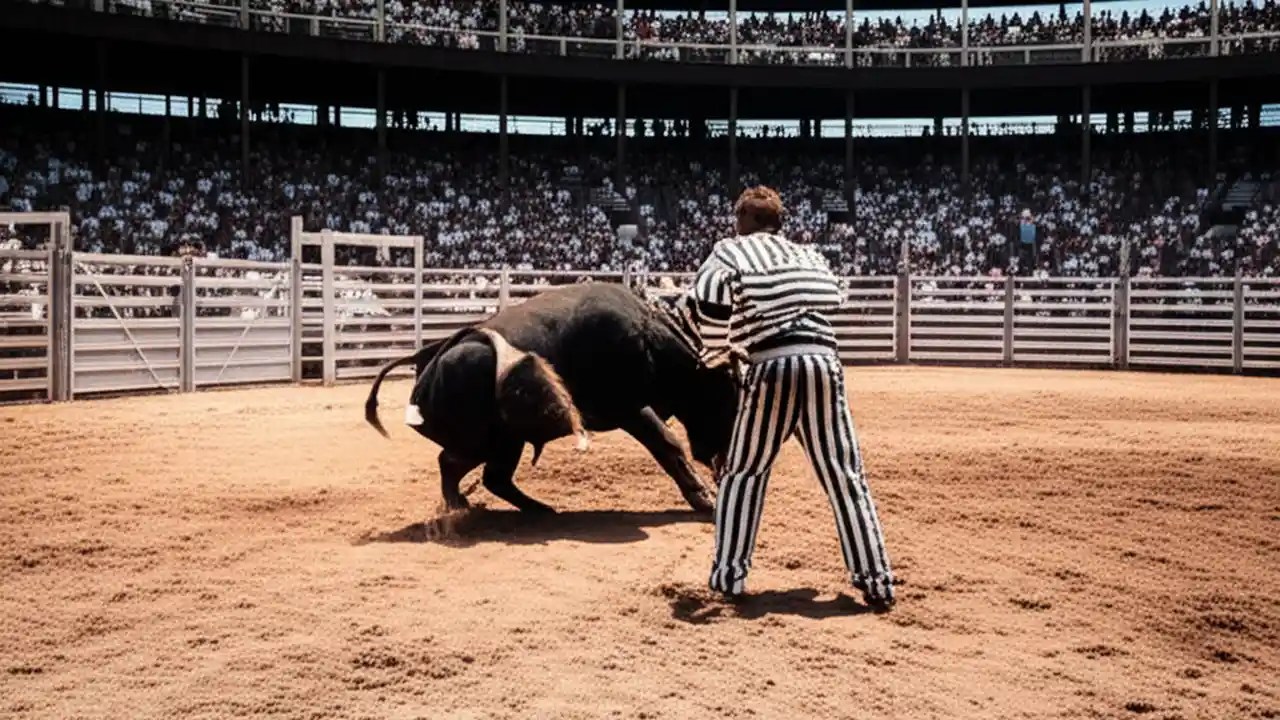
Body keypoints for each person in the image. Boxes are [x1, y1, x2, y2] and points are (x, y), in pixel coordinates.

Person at [685, 185, 896, 611]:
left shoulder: (731, 250)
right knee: (846, 477)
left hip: (772, 365)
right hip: (824, 363)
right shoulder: (810, 255)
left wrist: (717, 351)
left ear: (744, 220)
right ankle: (877, 580)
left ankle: (729, 577)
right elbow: (831, 297)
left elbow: (706, 299)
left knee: (744, 473)